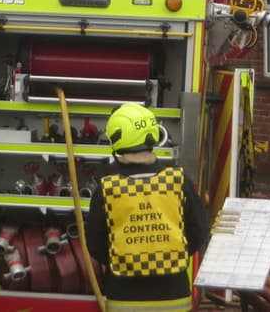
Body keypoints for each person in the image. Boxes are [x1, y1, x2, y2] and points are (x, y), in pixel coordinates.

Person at [85, 103, 209, 312]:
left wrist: (127, 262)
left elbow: (95, 245)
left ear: (116, 140)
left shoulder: (106, 189)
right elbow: (199, 233)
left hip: (123, 298)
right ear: (152, 135)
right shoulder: (178, 181)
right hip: (174, 295)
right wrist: (168, 257)